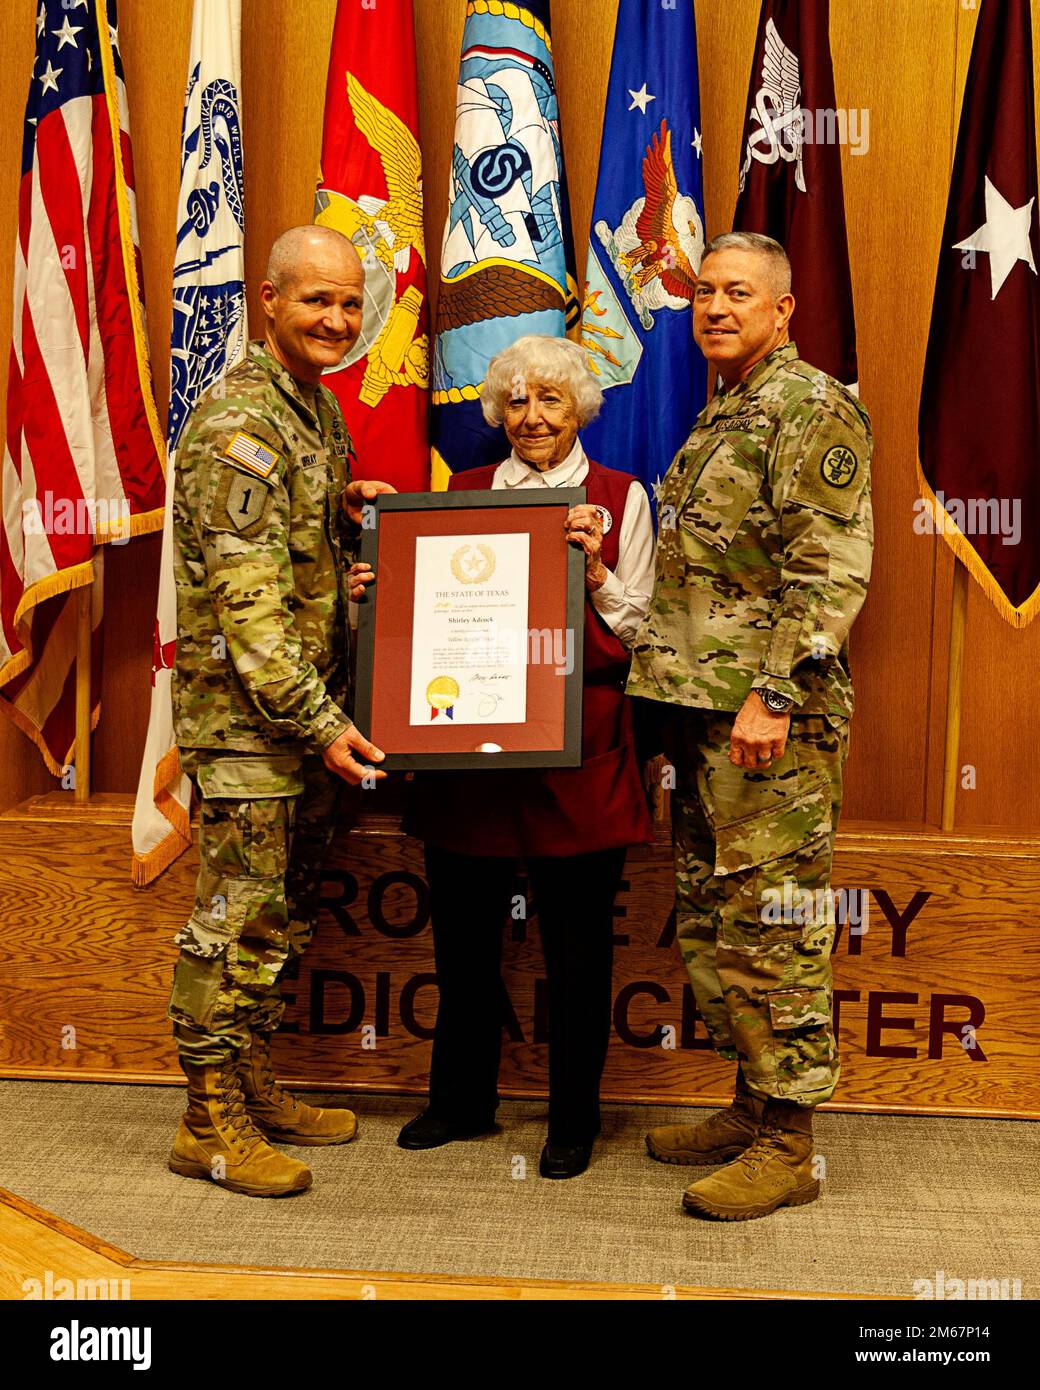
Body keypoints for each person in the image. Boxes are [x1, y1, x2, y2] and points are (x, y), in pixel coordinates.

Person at [628, 231, 874, 1220]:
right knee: (713, 921)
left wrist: (772, 694)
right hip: (704, 724)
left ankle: (789, 1145)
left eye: (739, 293)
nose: (715, 307)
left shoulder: (807, 404)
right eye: (704, 293)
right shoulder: (721, 412)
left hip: (771, 725)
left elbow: (829, 570)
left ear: (783, 311)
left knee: (774, 928)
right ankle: (749, 1102)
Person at [166, 225, 393, 1198]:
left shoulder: (314, 415)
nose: (336, 320)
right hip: (252, 724)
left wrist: (344, 511)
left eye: (349, 304)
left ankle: (249, 1078)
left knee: (286, 911)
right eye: (315, 302)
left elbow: (293, 554)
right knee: (237, 917)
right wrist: (324, 720)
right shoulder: (241, 425)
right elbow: (250, 607)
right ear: (268, 301)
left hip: (297, 722)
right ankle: (205, 1119)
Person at [401, 334, 655, 1179]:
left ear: (579, 408)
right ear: (497, 411)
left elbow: (643, 634)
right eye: (516, 400)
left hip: (577, 750)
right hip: (468, 750)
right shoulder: (460, 492)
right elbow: (423, 622)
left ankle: (572, 1120)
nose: (532, 416)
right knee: (462, 946)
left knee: (578, 949)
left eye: (550, 399)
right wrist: (380, 592)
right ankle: (459, 1102)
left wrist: (594, 575)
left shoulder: (621, 499)